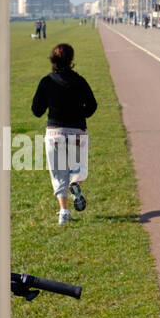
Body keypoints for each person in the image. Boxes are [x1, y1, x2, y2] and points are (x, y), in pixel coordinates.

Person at [31, 42, 97, 224]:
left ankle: (64, 212)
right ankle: (75, 183)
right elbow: (92, 105)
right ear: (71, 60)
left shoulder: (46, 81)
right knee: (78, 168)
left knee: (58, 173)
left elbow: (36, 110)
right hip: (77, 132)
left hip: (55, 134)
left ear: (53, 60)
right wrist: (79, 114)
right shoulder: (80, 81)